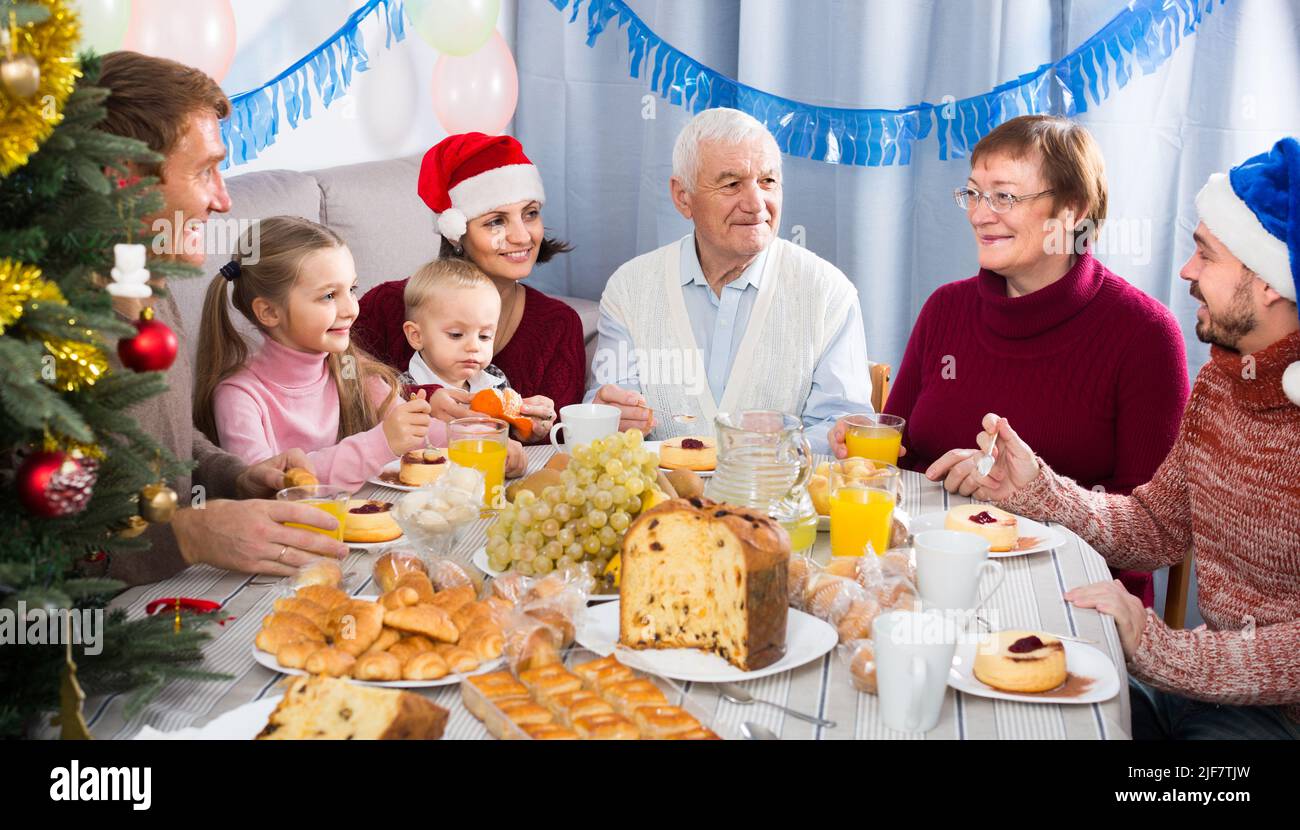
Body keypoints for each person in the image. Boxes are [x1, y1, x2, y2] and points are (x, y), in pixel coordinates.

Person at [928, 138, 1300, 740]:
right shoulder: (1223, 386)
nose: (1186, 270)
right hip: (1207, 683)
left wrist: (1158, 648)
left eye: (1206, 254)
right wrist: (1041, 491)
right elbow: (1156, 528)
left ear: (1269, 283)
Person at [836, 115, 1189, 606]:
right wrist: (865, 447)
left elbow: (1152, 534)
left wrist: (1026, 488)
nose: (980, 214)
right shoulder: (946, 308)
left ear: (1072, 209)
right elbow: (904, 455)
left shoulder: (1145, 336)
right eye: (974, 194)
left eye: (1004, 196)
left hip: (1069, 599)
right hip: (929, 575)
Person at [93, 51, 348, 584]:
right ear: (124, 178)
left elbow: (168, 440)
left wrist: (235, 475)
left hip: (175, 591)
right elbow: (25, 549)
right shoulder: (37, 327)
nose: (224, 201)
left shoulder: (149, 285)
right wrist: (188, 533)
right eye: (206, 170)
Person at [586, 107, 872, 452]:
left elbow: (840, 427)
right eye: (732, 184)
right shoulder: (629, 288)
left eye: (767, 181)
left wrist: (747, 462)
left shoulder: (828, 292)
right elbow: (608, 406)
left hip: (776, 498)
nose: (755, 204)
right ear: (683, 197)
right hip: (662, 499)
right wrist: (608, 414)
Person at [353, 133, 583, 433]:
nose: (522, 236)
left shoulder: (558, 325)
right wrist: (418, 400)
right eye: (496, 221)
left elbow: (564, 446)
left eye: (530, 214)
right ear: (456, 232)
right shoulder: (388, 306)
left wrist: (545, 427)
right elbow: (339, 386)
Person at [194, 216, 439, 492]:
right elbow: (268, 487)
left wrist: (477, 430)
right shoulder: (239, 394)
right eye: (329, 296)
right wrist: (381, 443)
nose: (351, 309)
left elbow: (418, 433)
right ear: (269, 312)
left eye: (352, 289)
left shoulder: (349, 366)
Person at [401, 257, 535, 474]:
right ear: (416, 335)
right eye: (456, 335)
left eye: (484, 336)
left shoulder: (495, 380)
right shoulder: (405, 391)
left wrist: (520, 439)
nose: (473, 346)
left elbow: (506, 437)